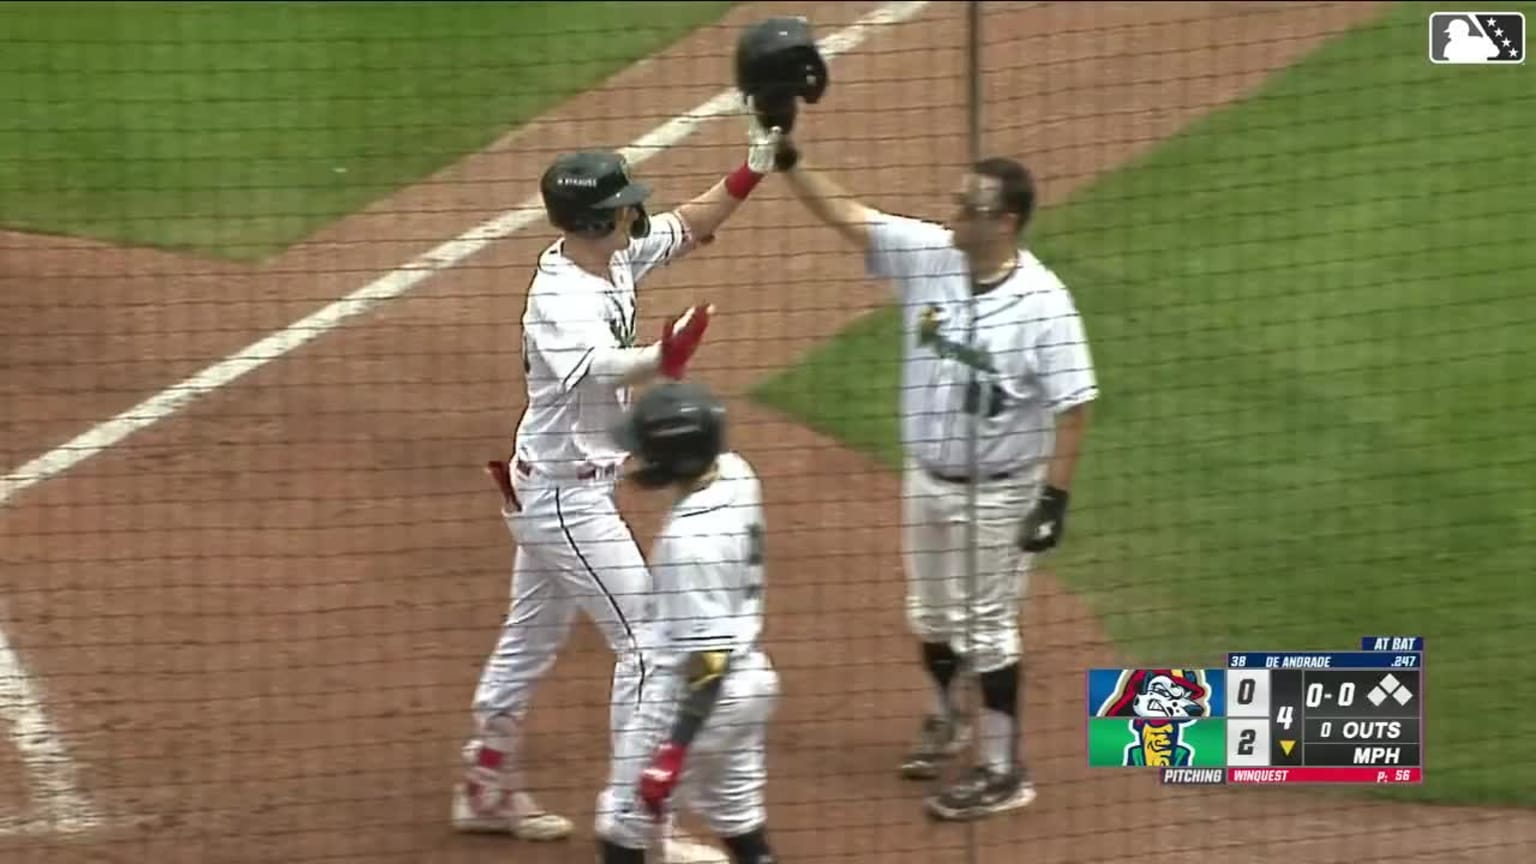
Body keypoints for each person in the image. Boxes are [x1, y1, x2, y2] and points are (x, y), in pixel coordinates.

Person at [453, 112, 784, 848]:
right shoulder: (560, 297)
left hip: (553, 483)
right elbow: (600, 367)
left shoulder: (614, 256)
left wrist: (752, 168)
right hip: (566, 497)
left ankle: (485, 783)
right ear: (604, 217)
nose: (641, 208)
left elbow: (691, 223)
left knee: (528, 639)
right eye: (628, 200)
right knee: (647, 644)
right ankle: (645, 825)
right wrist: (661, 360)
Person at [773, 138, 1098, 821]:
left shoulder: (1044, 303)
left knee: (987, 629)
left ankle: (1005, 769)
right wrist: (791, 158)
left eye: (968, 205)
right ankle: (945, 718)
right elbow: (849, 217)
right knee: (931, 615)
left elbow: (1076, 404)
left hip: (1001, 490)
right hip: (927, 476)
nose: (953, 211)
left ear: (1004, 222)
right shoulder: (931, 257)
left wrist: (1054, 498)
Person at [594, 379, 780, 864]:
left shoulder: (690, 544)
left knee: (622, 825)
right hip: (751, 686)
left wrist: (674, 748)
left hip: (697, 696)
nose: (640, 459)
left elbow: (709, 659)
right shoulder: (737, 474)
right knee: (739, 816)